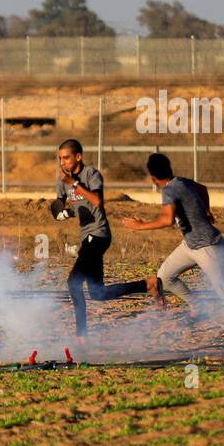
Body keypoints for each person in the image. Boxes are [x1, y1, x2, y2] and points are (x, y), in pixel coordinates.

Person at [121, 153, 224, 337]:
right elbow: (203, 189)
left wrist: (141, 226)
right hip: (190, 245)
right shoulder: (181, 182)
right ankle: (197, 305)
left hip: (208, 247)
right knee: (165, 277)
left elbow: (167, 220)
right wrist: (207, 210)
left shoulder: (169, 190)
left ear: (152, 177)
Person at [52, 139, 163, 338]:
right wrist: (61, 212)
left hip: (99, 234)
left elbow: (97, 201)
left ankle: (81, 336)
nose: (63, 162)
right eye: (60, 158)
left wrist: (74, 184)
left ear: (78, 157)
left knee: (73, 283)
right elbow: (58, 204)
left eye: (66, 158)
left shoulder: (91, 174)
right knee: (97, 293)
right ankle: (148, 285)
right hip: (86, 237)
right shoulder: (62, 180)